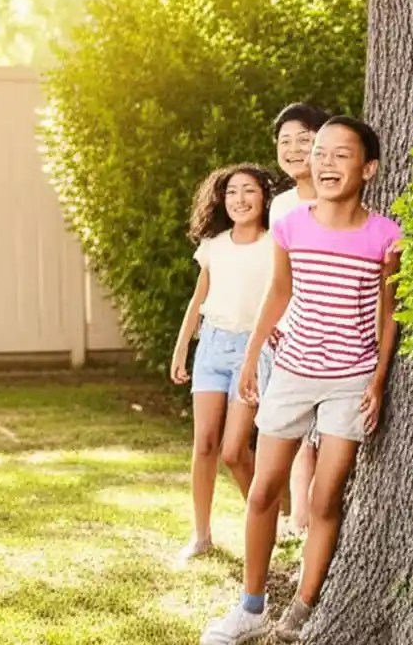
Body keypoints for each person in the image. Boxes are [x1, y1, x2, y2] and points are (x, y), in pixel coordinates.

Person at [200, 117, 402, 644]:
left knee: (324, 500)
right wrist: (250, 360)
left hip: (349, 382)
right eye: (322, 154)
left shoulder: (386, 235)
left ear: (369, 168)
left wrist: (377, 381)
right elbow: (279, 292)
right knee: (264, 490)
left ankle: (304, 611)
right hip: (290, 373)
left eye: (342, 155)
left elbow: (389, 314)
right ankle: (251, 607)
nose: (328, 163)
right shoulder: (290, 226)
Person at [170, 164, 276, 562]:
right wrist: (183, 348)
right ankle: (201, 535)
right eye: (232, 192)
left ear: (264, 196)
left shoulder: (274, 244)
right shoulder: (214, 245)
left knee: (234, 450)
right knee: (205, 444)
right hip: (212, 347)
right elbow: (199, 300)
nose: (240, 199)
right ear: (221, 199)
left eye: (249, 191)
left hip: (253, 350)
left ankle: (267, 519)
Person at [266, 102, 331, 537]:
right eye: (284, 142)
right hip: (288, 334)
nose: (293, 149)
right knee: (295, 432)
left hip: (335, 332)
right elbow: (279, 276)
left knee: (326, 434)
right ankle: (300, 520)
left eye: (304, 140)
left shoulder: (338, 195)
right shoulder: (281, 206)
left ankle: (316, 516)